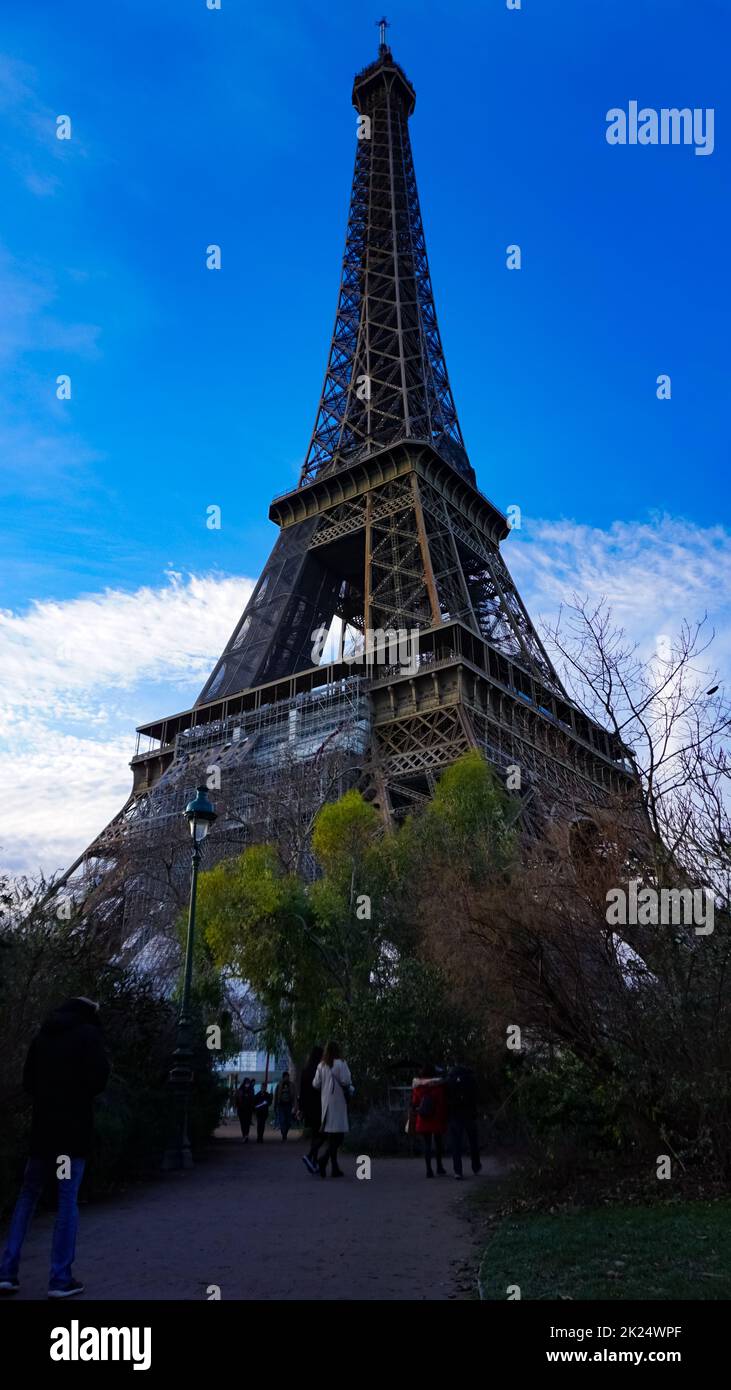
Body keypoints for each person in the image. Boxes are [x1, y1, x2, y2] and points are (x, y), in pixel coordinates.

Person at [0, 997, 110, 1299]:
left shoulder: (42, 1036)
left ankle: (7, 1271)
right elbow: (99, 1079)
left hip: (42, 1134)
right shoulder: (88, 1036)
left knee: (28, 1195)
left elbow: (28, 1083)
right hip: (70, 1138)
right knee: (66, 1201)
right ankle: (60, 1277)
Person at [312, 1041, 352, 1178]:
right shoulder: (341, 1063)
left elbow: (315, 1084)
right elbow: (346, 1081)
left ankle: (334, 1168)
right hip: (338, 1103)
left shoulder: (321, 1065)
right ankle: (324, 1160)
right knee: (339, 1136)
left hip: (326, 1104)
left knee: (331, 1136)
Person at [410, 1061, 448, 1178]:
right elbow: (441, 1103)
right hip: (436, 1118)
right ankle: (439, 1167)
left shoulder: (418, 1086)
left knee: (427, 1145)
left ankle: (429, 1170)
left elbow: (415, 1102)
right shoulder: (438, 1086)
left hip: (423, 1118)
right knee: (438, 1143)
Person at [445, 1062, 482, 1179]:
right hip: (469, 1115)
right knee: (473, 1142)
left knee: (456, 1145)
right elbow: (476, 1096)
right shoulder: (471, 1080)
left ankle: (458, 1171)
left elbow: (445, 1098)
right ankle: (476, 1166)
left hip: (454, 1116)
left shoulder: (449, 1080)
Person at [298, 1045, 324, 1174]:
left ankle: (313, 1161)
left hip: (308, 1108)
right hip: (319, 1106)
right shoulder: (320, 1070)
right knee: (322, 1134)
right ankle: (310, 1157)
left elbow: (302, 1092)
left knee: (315, 1134)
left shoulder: (305, 1071)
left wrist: (301, 1108)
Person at [273, 1071, 295, 1141]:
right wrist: (275, 1105)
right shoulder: (279, 1085)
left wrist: (296, 1105)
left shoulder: (291, 1085)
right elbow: (276, 1096)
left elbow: (294, 1095)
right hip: (281, 1105)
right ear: (283, 1077)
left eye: (288, 1077)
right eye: (285, 1077)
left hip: (289, 1105)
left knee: (288, 1122)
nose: (287, 1078)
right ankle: (284, 1134)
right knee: (282, 1120)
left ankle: (285, 1133)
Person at [235, 1077, 255, 1142]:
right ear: (244, 1083)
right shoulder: (240, 1090)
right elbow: (237, 1100)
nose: (247, 1084)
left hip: (248, 1110)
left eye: (248, 1083)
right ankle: (244, 1135)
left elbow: (253, 1100)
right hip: (241, 1110)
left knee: (247, 1123)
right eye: (246, 1083)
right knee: (243, 1123)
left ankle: (246, 1135)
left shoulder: (251, 1090)